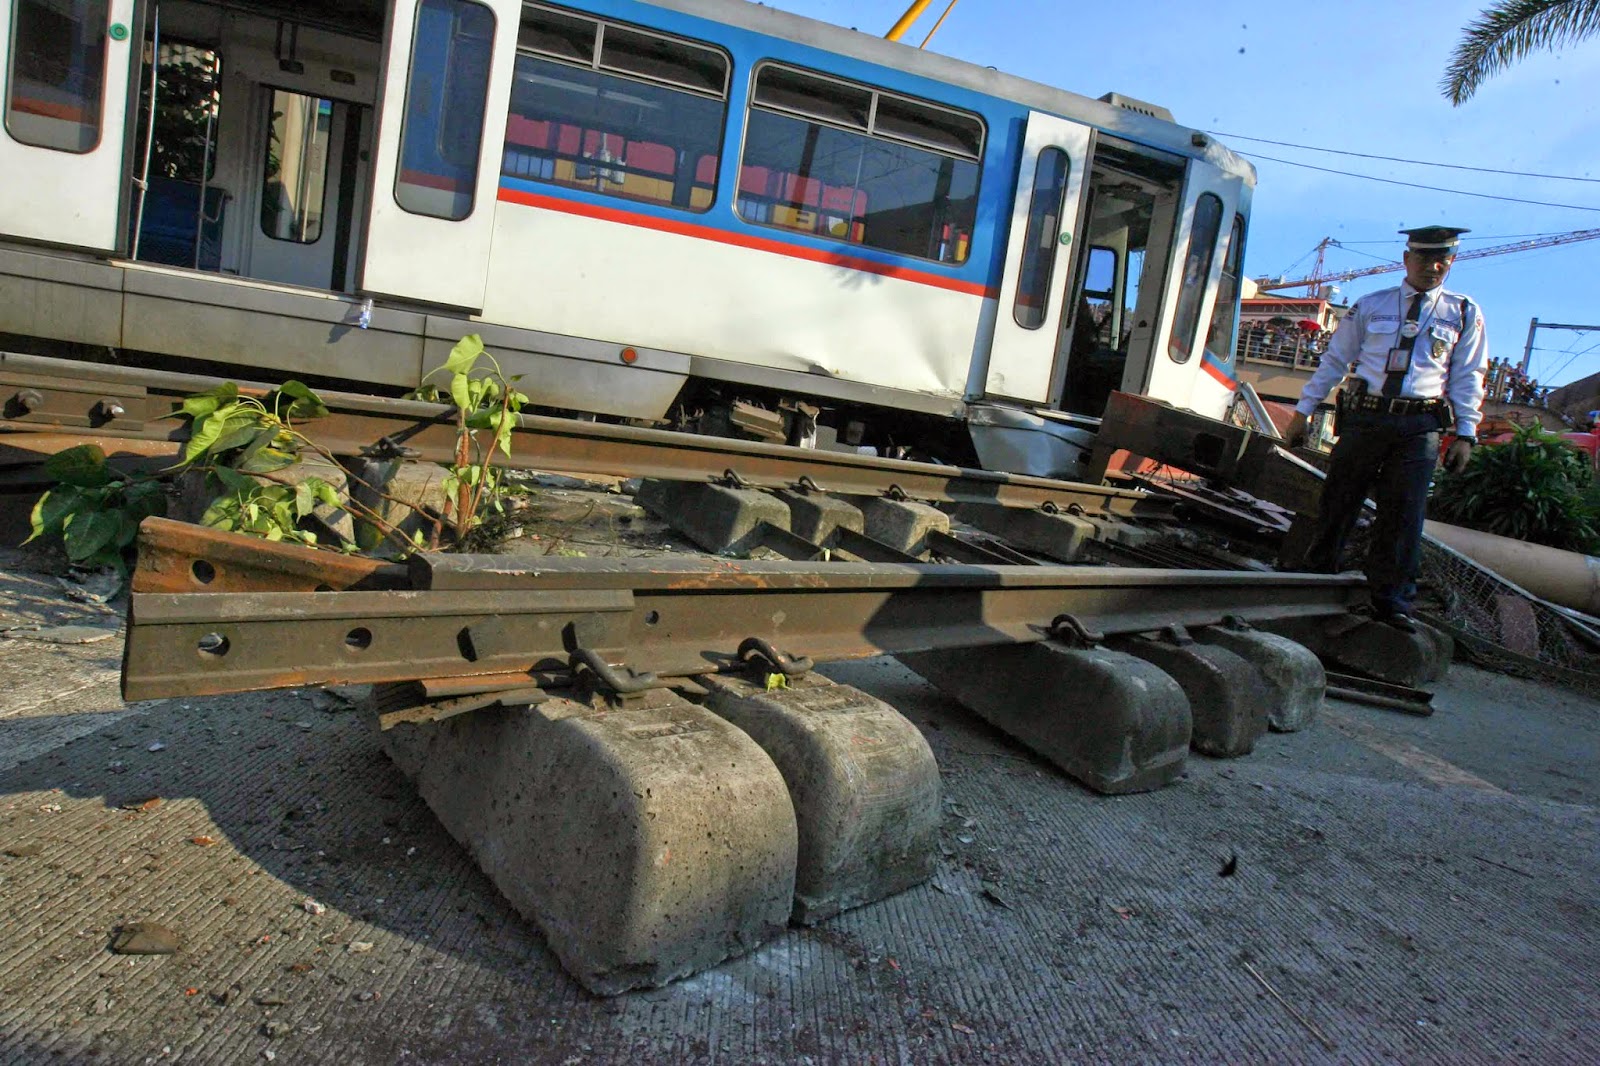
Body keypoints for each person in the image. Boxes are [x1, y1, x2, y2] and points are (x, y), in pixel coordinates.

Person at [1285, 226, 1487, 631]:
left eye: (1441, 260)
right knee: (1339, 499)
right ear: (1406, 259)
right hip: (1367, 416)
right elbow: (1335, 360)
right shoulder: (1371, 306)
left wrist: (1466, 433)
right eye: (1424, 258)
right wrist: (1303, 410)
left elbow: (1468, 375)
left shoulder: (1462, 312)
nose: (1432, 267)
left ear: (1451, 262)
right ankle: (1314, 580)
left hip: (1420, 424)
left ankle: (1391, 601)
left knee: (1404, 513)